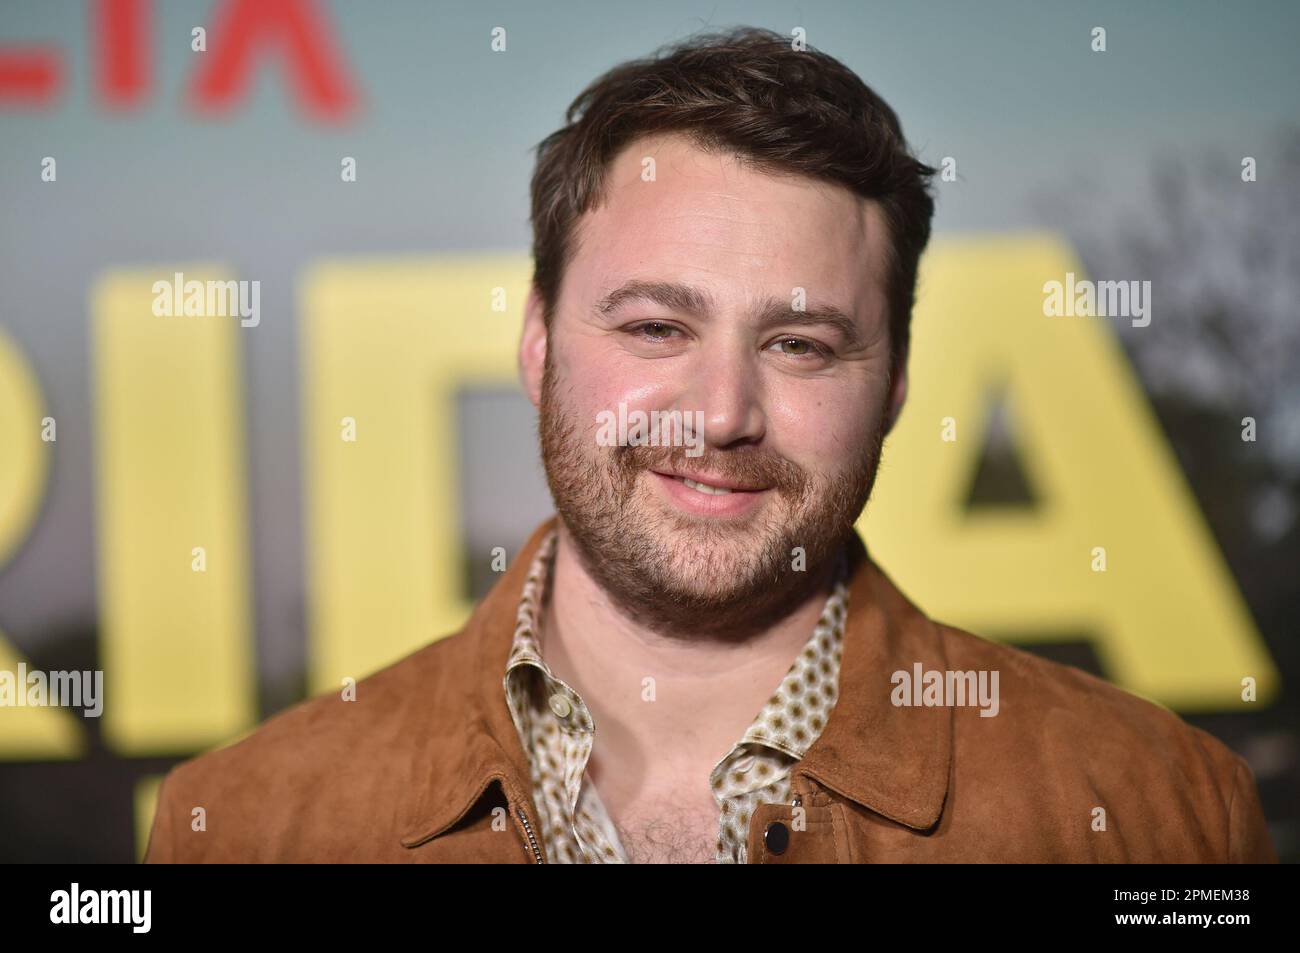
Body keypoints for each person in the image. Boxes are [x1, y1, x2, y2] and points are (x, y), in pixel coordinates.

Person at [145, 27, 1276, 864]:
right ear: (539, 344)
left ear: (892, 387)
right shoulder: (245, 822)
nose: (722, 411)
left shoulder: (1156, 811)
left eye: (799, 343)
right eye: (654, 326)